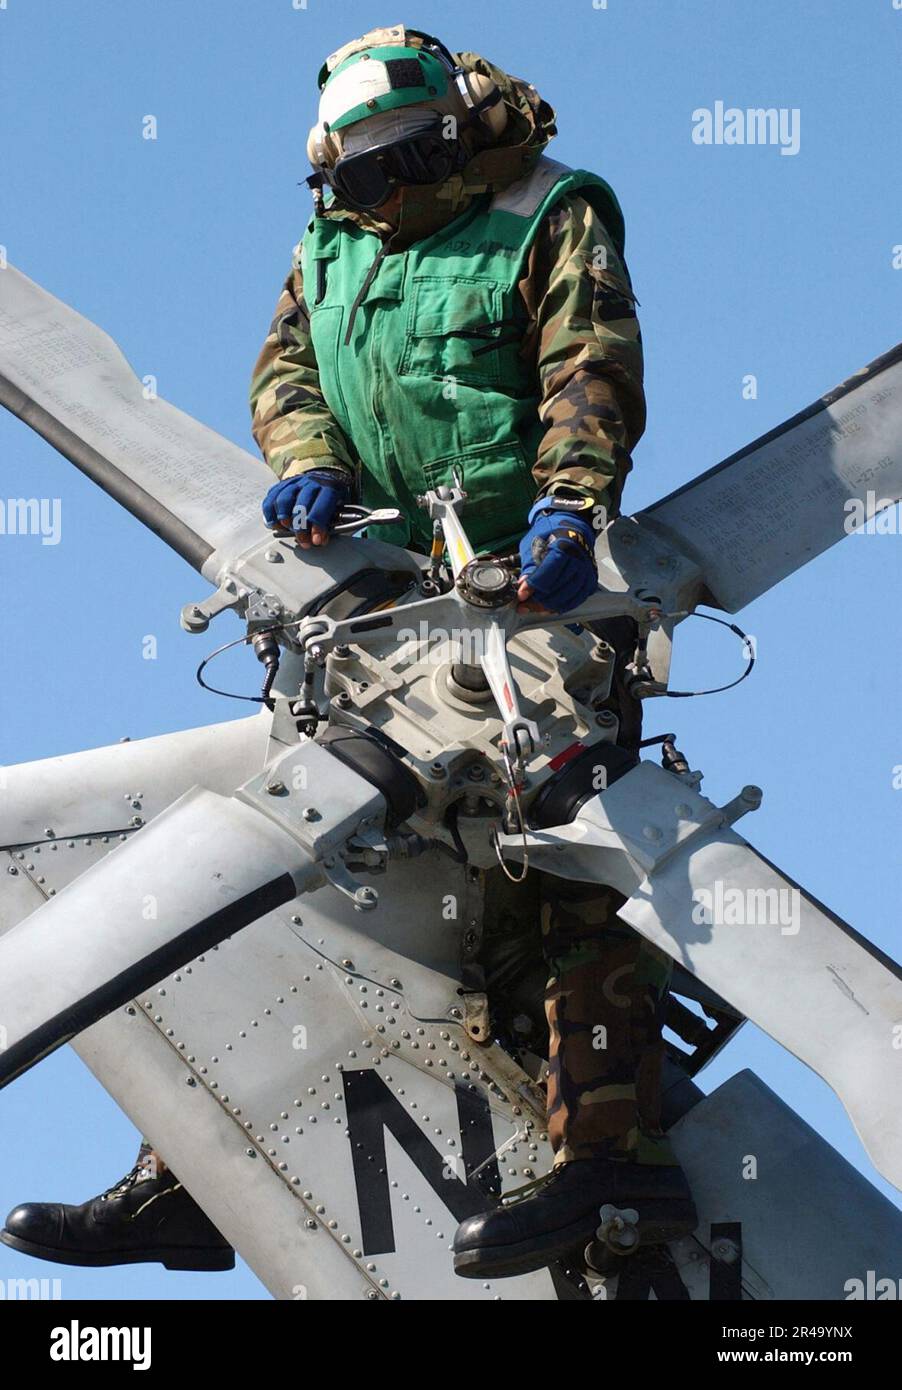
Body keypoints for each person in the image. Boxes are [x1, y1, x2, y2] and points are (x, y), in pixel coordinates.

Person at [0, 24, 695, 1282]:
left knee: (562, 866)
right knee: (267, 862)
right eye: (356, 174)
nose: (381, 194)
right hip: (374, 613)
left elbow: (589, 364)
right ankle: (196, 1169)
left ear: (452, 133)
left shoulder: (548, 210)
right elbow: (283, 369)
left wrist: (568, 505)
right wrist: (307, 461)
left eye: (403, 163)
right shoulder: (334, 238)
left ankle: (607, 1153)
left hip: (527, 606)